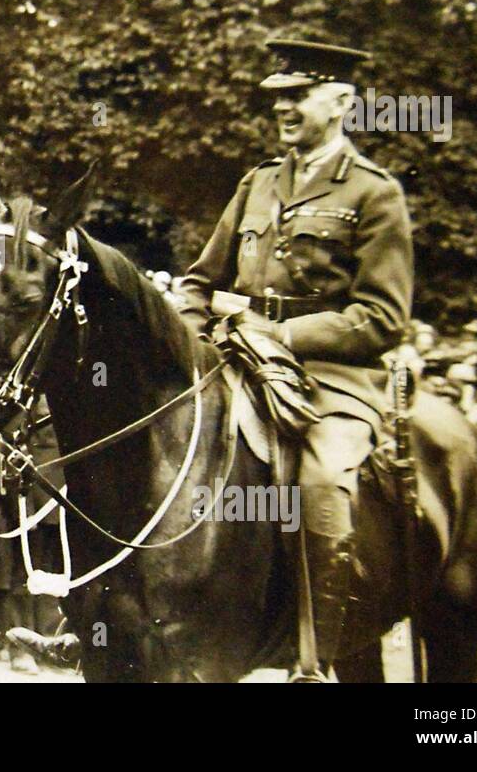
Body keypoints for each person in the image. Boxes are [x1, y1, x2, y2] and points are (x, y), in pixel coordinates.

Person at [176, 38, 414, 681]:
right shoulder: (256, 184)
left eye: (298, 95)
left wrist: (282, 333)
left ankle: (315, 652)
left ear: (341, 102)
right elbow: (200, 282)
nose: (283, 107)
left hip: (332, 382)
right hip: (238, 363)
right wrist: (190, 341)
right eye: (278, 96)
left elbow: (383, 318)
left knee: (322, 481)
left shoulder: (374, 192)